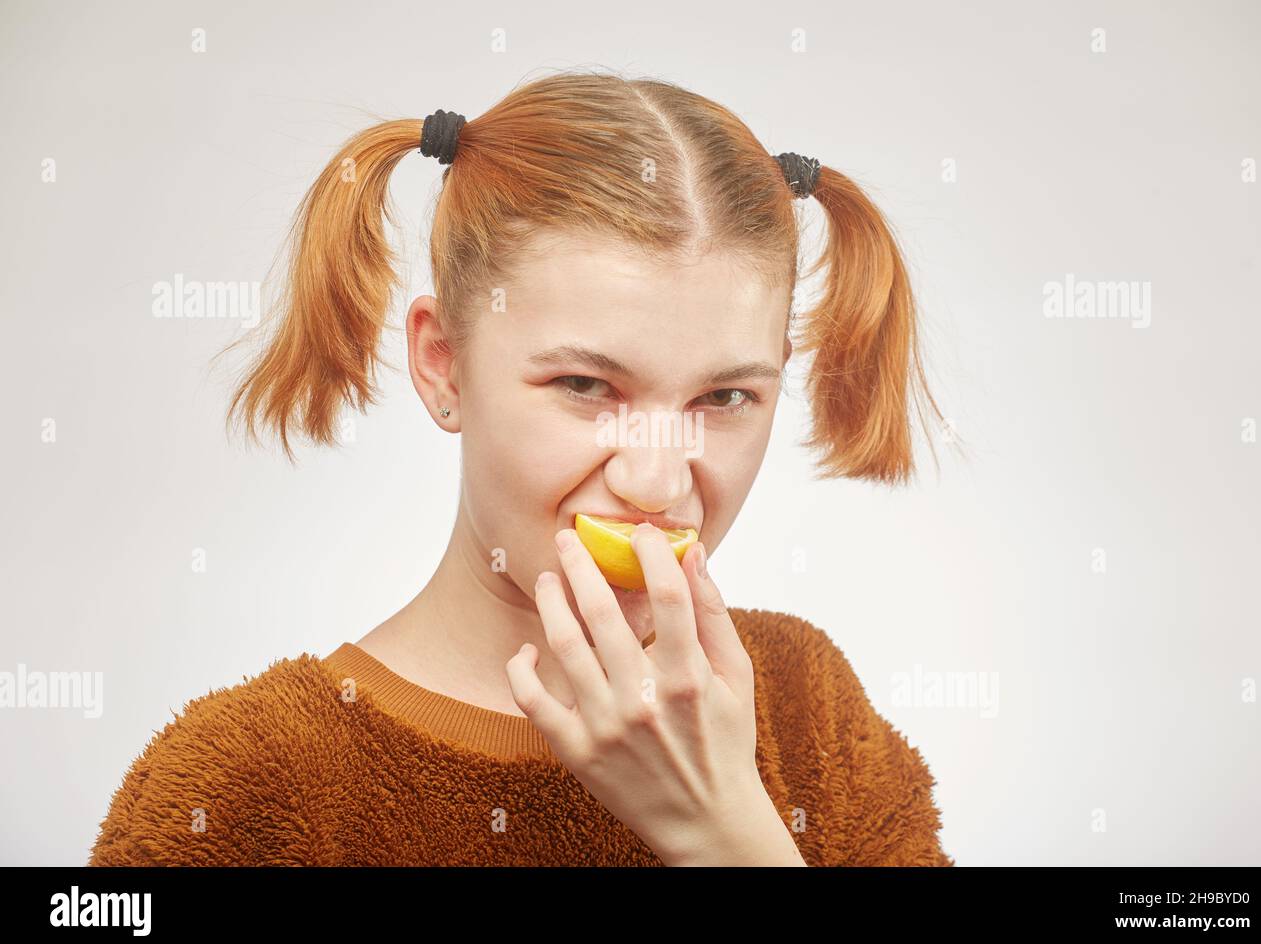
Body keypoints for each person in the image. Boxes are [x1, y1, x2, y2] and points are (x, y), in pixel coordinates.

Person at [88, 69, 954, 866]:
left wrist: (728, 835)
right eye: (585, 385)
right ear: (443, 365)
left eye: (724, 399)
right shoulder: (247, 781)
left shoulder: (809, 709)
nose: (657, 485)